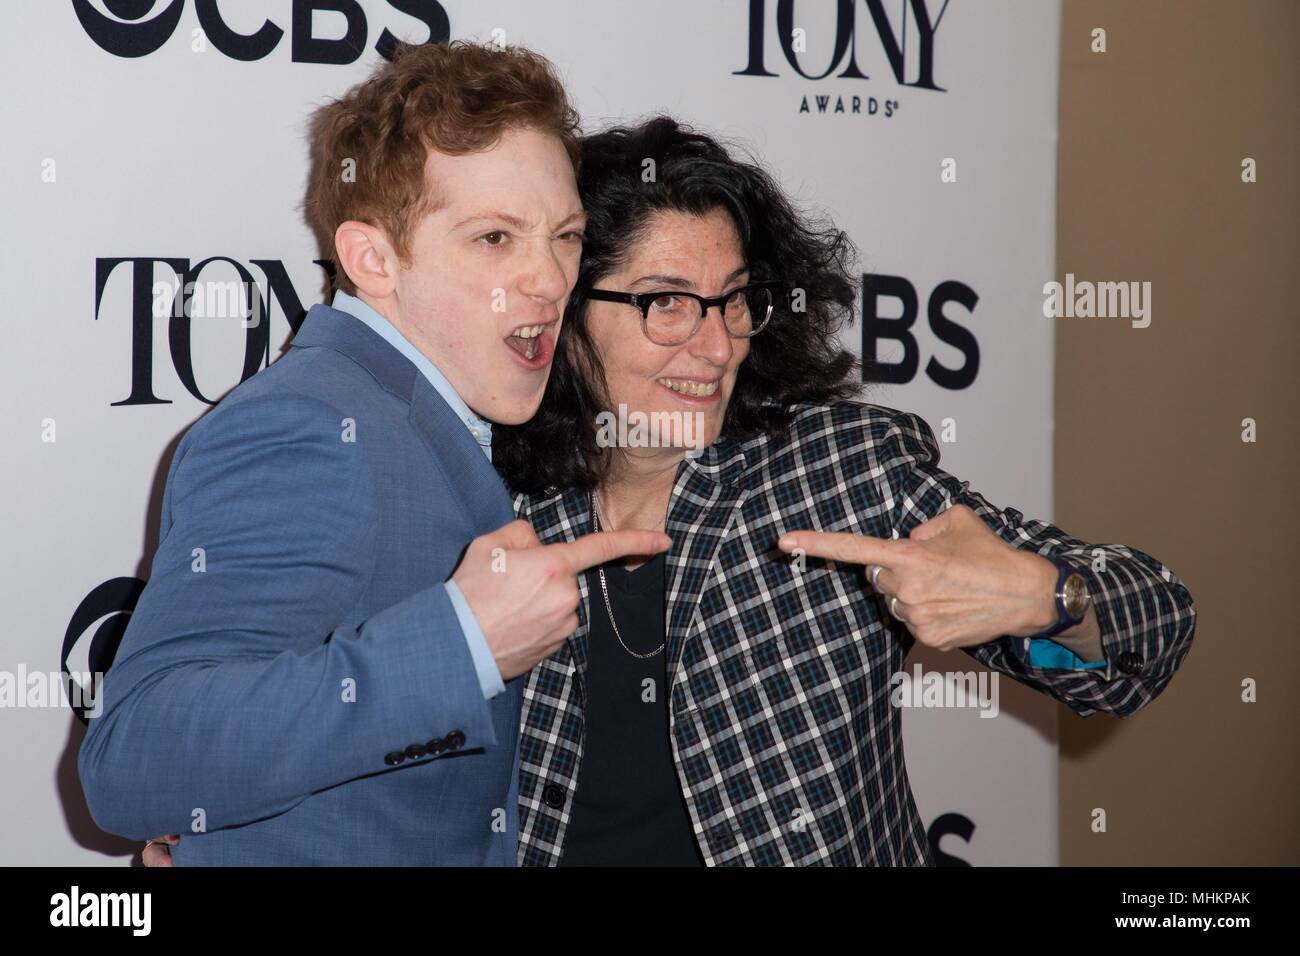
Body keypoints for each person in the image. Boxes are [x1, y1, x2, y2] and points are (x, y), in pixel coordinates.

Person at [142, 114, 1197, 867]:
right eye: (665, 303)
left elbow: (1153, 624)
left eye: (735, 302)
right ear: (563, 310)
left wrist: (1049, 599)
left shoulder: (840, 469)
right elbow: (360, 730)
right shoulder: (481, 499)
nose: (716, 343)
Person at [79, 41, 667, 866]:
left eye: (564, 235)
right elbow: (134, 762)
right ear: (371, 260)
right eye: (495, 238)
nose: (547, 279)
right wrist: (462, 643)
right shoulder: (311, 424)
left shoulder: (428, 416)